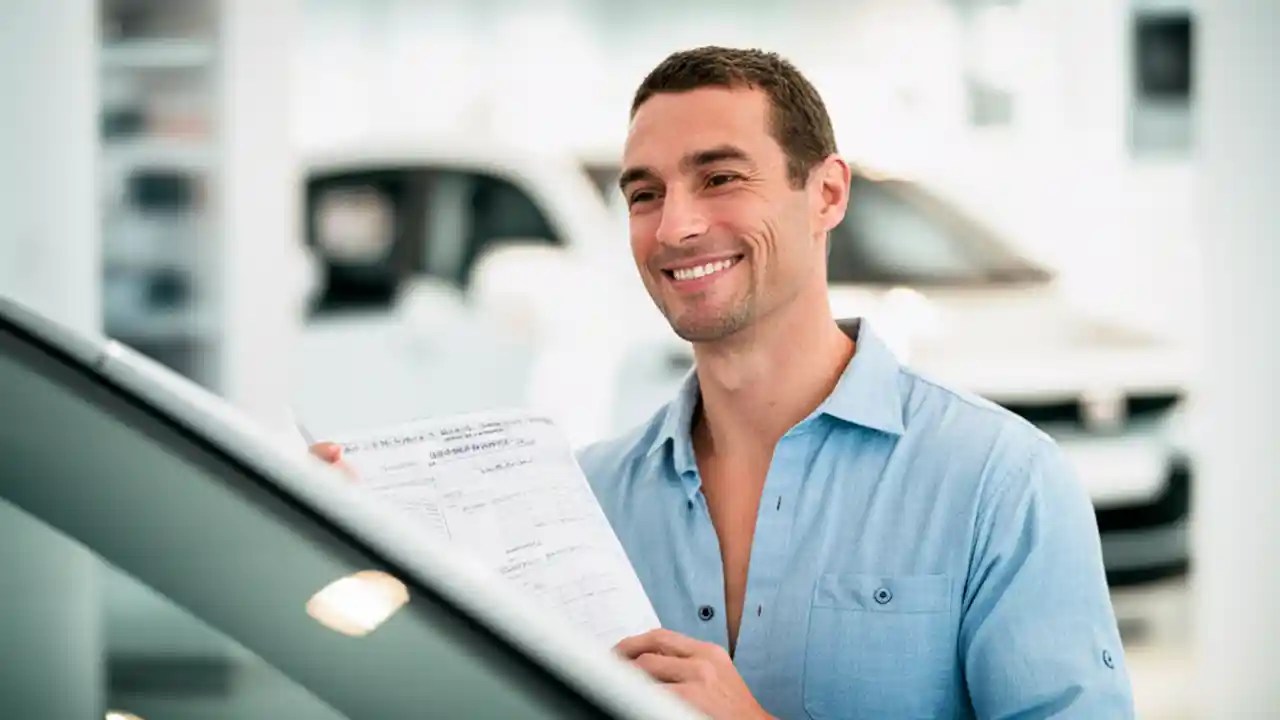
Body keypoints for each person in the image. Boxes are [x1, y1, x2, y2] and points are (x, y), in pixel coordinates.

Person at [313, 46, 1135, 719]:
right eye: (644, 194)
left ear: (826, 194)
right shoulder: (581, 502)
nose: (675, 226)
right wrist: (343, 534)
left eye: (720, 177)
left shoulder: (999, 481)